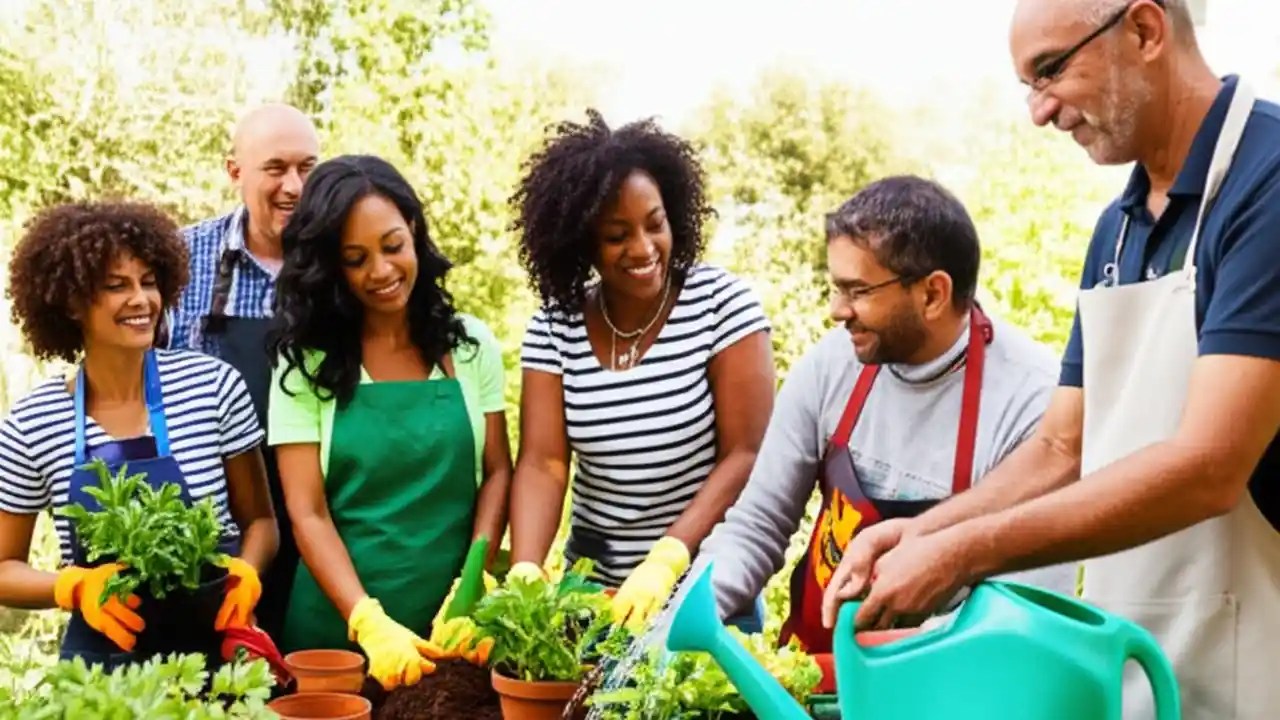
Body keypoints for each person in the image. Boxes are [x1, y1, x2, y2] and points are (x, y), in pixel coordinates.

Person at [823, 2, 1280, 717]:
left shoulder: (1268, 186)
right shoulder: (1117, 231)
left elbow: (1211, 466)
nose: (1038, 111)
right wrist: (927, 531)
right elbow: (1061, 446)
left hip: (1257, 664)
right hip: (1138, 661)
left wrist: (965, 554)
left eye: (1051, 70)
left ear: (1146, 30)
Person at [683, 176, 1075, 669]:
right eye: (836, 288)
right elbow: (757, 525)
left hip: (950, 682)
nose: (835, 312)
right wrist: (682, 623)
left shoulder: (1032, 399)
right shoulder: (832, 365)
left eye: (858, 291)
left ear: (933, 293)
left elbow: (1026, 614)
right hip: (814, 672)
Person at [505, 110, 777, 631]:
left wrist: (668, 556)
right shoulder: (554, 327)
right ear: (582, 241)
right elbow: (542, 462)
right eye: (616, 235)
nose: (643, 248)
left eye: (655, 224)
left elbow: (746, 453)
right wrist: (526, 565)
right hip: (592, 596)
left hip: (705, 589)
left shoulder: (722, 305)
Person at [266, 154, 512, 690]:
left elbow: (498, 472)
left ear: (415, 232)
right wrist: (367, 623)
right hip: (336, 642)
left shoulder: (468, 347)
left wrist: (472, 586)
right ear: (332, 266)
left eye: (393, 246)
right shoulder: (305, 363)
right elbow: (305, 511)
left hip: (455, 635)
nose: (380, 271)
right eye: (355, 259)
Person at [0, 201, 278, 669]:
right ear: (70, 302)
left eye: (148, 282)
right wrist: (72, 586)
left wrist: (247, 571)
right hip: (101, 664)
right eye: (116, 286)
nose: (142, 300)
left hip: (218, 654)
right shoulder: (32, 423)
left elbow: (262, 523)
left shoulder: (212, 386)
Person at [166, 102, 321, 638]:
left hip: (330, 526)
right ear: (235, 172)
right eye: (276, 169)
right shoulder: (182, 260)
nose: (294, 186)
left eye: (308, 167)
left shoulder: (344, 258)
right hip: (220, 535)